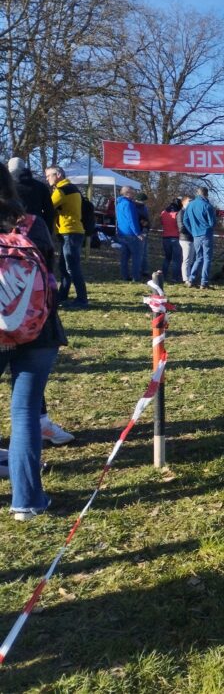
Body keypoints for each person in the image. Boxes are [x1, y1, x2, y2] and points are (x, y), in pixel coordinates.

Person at [0, 163, 67, 521]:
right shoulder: (31, 224)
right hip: (37, 329)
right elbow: (51, 277)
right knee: (25, 413)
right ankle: (26, 501)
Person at [46, 165, 89, 308]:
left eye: (49, 175)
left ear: (58, 175)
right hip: (74, 231)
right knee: (65, 267)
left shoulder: (62, 190)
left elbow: (48, 206)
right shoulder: (73, 188)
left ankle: (82, 299)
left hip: (69, 231)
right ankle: (62, 296)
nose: (47, 179)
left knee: (72, 266)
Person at [180, 187, 217, 289]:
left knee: (198, 258)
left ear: (197, 193)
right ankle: (204, 282)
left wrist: (192, 231)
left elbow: (185, 220)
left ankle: (191, 279)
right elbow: (212, 223)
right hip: (206, 234)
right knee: (207, 258)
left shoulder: (190, 205)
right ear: (206, 194)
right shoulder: (207, 206)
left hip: (195, 235)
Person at [7, 158, 55, 231]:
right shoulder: (40, 186)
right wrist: (47, 230)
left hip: (11, 231)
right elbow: (49, 211)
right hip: (35, 229)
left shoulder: (5, 187)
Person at [115, 186, 145, 282]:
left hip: (122, 232)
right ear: (127, 193)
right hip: (131, 234)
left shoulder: (118, 204)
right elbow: (132, 220)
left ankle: (125, 275)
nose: (133, 195)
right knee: (136, 256)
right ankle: (136, 277)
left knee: (124, 257)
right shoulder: (128, 204)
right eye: (132, 193)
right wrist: (138, 233)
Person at [159, 199, 182, 281]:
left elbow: (161, 222)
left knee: (167, 258)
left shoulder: (163, 212)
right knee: (176, 259)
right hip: (176, 237)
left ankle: (163, 276)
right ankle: (175, 277)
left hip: (165, 237)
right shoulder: (178, 213)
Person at [178, 194, 194, 284]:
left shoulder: (190, 212)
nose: (191, 203)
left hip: (192, 239)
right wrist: (193, 231)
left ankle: (190, 276)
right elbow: (181, 228)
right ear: (183, 202)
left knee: (191, 259)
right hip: (185, 239)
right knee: (186, 259)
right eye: (189, 201)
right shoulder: (181, 213)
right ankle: (186, 278)